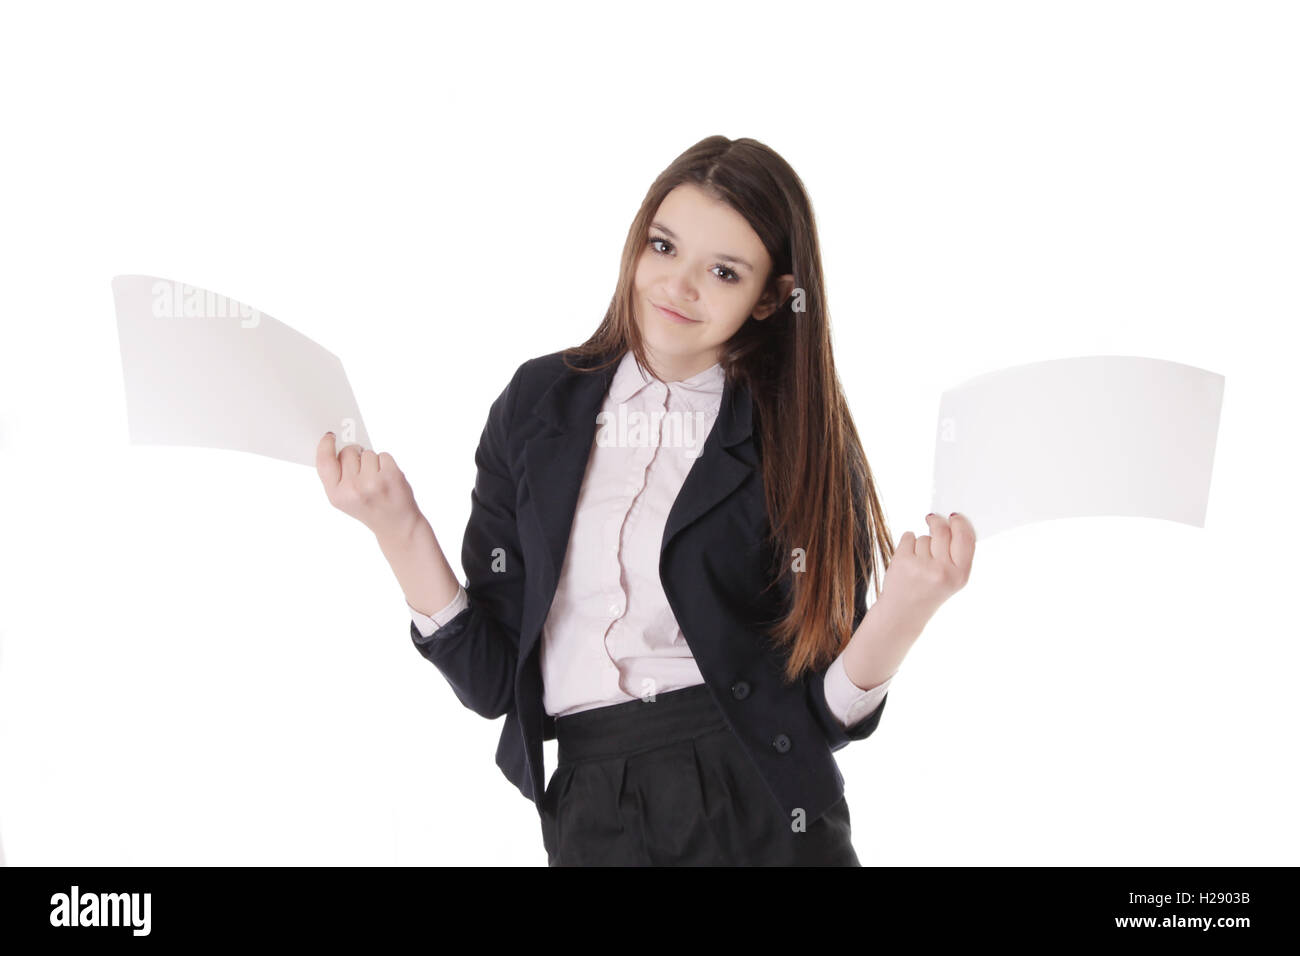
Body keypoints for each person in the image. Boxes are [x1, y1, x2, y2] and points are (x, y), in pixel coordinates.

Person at [315, 135, 976, 866]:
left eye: (724, 271)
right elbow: (494, 682)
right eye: (664, 247)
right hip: (592, 804)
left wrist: (907, 608)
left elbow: (825, 711)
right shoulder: (538, 405)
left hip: (754, 798)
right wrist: (397, 528)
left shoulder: (797, 441)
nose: (679, 285)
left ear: (769, 299)